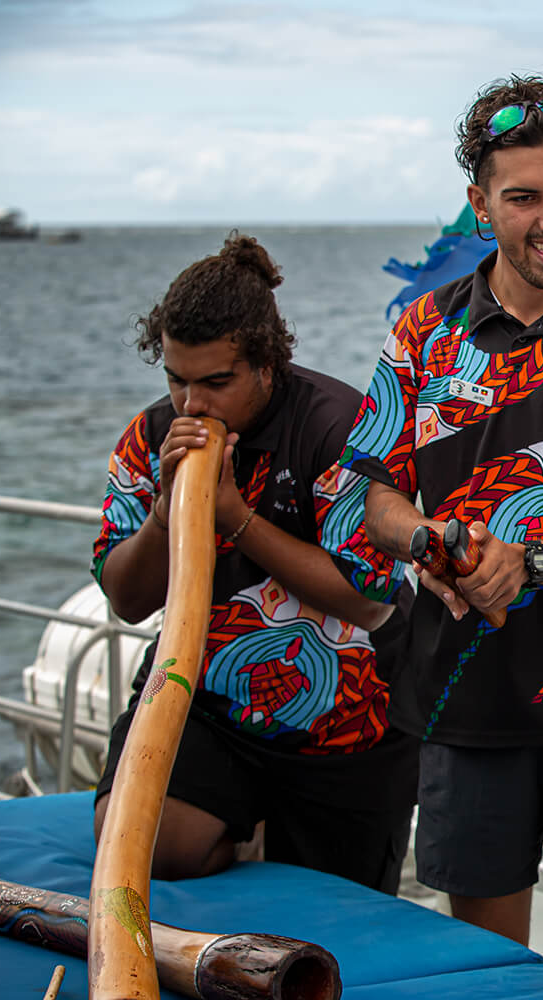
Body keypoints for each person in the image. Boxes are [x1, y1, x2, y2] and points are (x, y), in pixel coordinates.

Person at [327, 74, 543, 979]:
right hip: (464, 701)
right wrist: (433, 545)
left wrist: (542, 558)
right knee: (488, 973)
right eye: (523, 197)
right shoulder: (420, 337)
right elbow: (371, 496)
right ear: (480, 205)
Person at [92, 233, 416, 893]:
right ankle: (241, 830)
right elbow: (126, 600)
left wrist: (235, 517)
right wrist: (166, 511)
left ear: (268, 365)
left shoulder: (339, 429)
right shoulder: (152, 436)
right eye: (177, 381)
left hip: (348, 720)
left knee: (335, 909)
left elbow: (368, 599)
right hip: (207, 704)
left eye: (216, 383)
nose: (194, 406)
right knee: (135, 843)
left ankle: (274, 832)